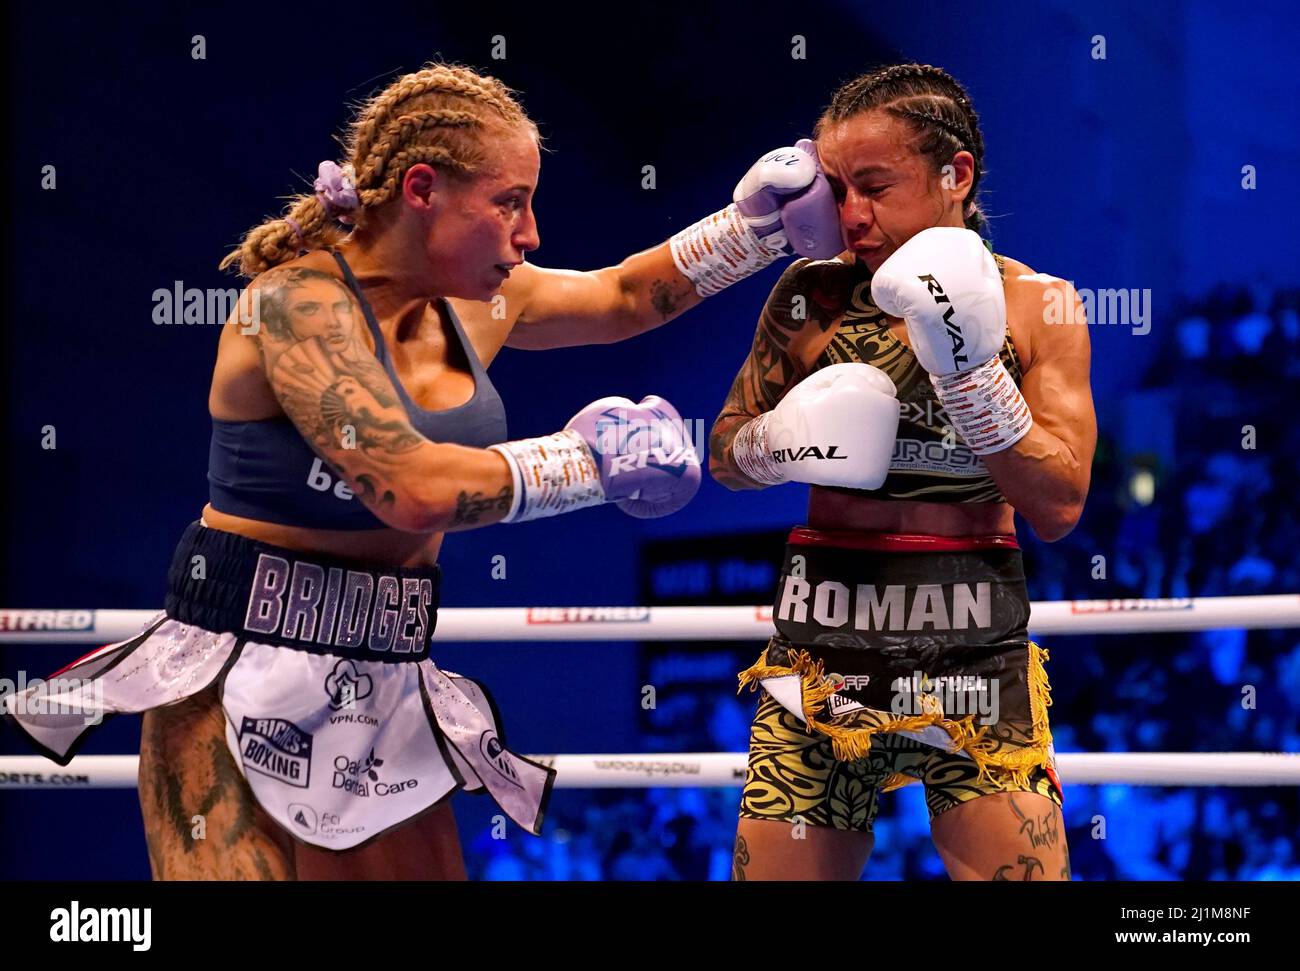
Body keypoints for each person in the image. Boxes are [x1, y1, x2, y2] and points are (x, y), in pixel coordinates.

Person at [1, 61, 840, 880]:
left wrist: (753, 230)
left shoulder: (482, 302)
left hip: (386, 668)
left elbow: (620, 295)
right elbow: (410, 488)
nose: (531, 232)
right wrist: (585, 463)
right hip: (236, 666)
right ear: (421, 188)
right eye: (510, 202)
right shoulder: (295, 306)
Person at [709, 63, 1096, 881]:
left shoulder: (1039, 305)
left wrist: (969, 376)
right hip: (819, 660)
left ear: (955, 175)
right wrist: (778, 442)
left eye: (876, 187)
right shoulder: (808, 296)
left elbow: (1059, 503)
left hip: (973, 663)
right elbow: (723, 453)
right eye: (839, 188)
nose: (851, 216)